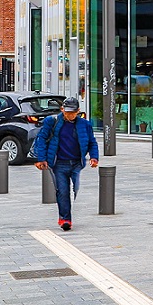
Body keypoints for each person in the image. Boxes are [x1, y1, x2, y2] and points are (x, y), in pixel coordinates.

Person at [32, 97, 99, 231]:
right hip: (59, 164)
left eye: (72, 112)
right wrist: (41, 159)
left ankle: (66, 214)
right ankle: (65, 219)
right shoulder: (52, 122)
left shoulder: (85, 125)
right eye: (67, 112)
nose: (69, 115)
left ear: (78, 111)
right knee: (63, 191)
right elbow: (42, 139)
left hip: (77, 164)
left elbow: (92, 142)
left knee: (76, 191)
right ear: (62, 109)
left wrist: (94, 157)